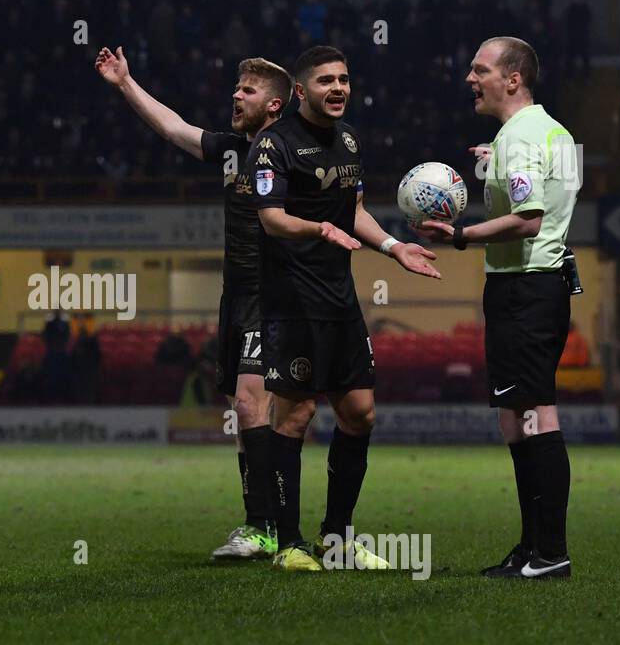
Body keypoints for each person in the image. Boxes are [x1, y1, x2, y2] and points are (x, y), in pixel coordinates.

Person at [245, 44, 441, 572]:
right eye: (327, 81)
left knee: (360, 413)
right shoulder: (272, 145)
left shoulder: (351, 140)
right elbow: (271, 218)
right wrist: (318, 228)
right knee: (296, 414)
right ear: (300, 92)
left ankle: (337, 542)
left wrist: (395, 248)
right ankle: (288, 544)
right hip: (292, 301)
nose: (338, 89)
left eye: (345, 80)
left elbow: (353, 210)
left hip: (338, 299)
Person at [96, 45, 289, 560]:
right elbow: (173, 128)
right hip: (236, 297)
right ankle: (267, 525)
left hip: (274, 298)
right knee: (242, 412)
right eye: (237, 86)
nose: (236, 94)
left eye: (248, 90)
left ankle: (267, 526)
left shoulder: (293, 151)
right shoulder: (231, 149)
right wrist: (124, 84)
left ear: (274, 105)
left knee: (252, 404)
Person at [420, 35, 579, 580]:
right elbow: (550, 184)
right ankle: (531, 546)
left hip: (527, 288)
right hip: (537, 286)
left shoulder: (518, 137)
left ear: (512, 79)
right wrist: (500, 161)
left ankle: (551, 552)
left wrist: (458, 235)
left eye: (479, 69)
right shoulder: (550, 131)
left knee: (534, 414)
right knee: (517, 419)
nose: (470, 78)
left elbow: (529, 217)